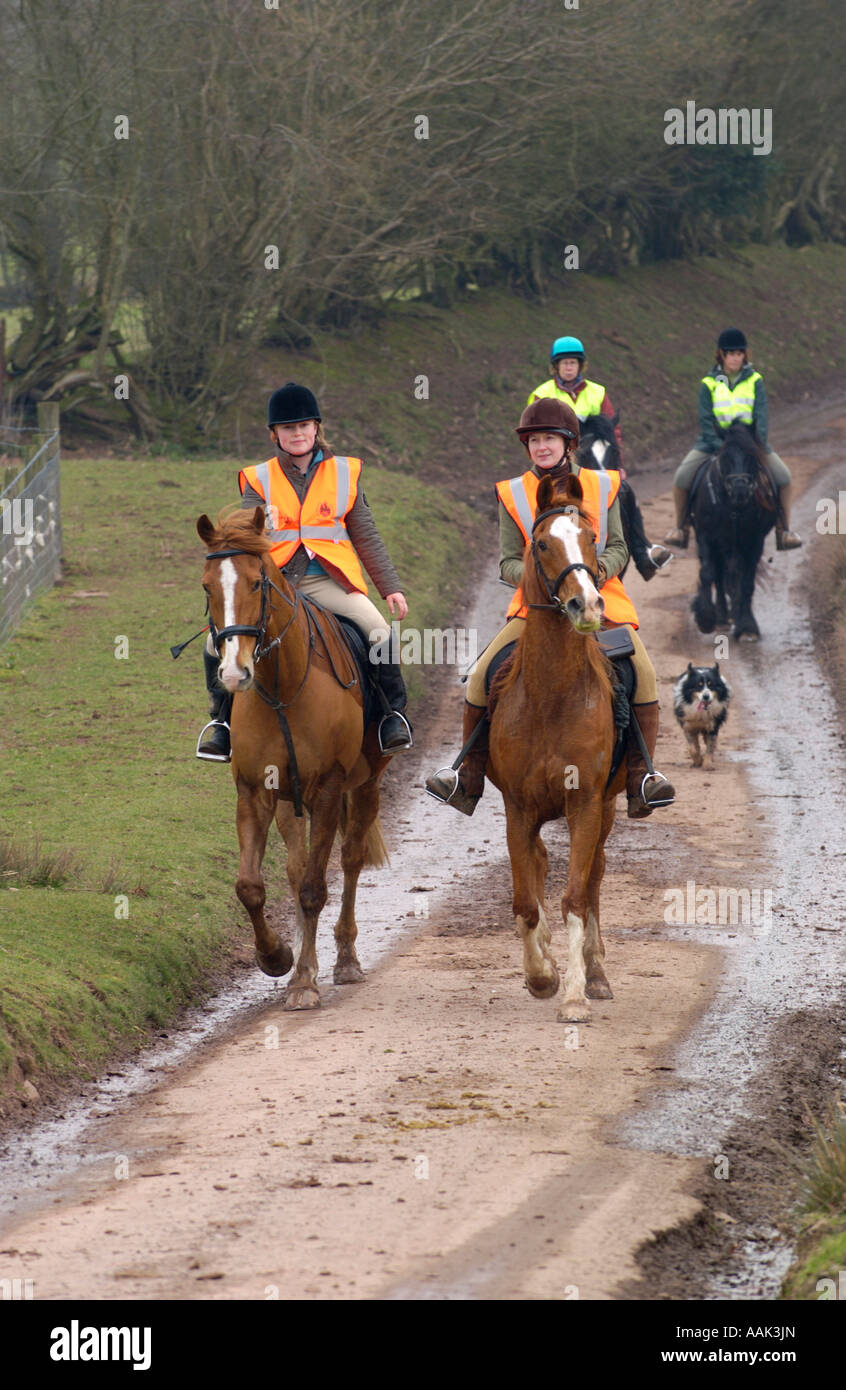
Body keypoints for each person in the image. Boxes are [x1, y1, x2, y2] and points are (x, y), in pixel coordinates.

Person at [425, 397, 676, 820]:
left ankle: (641, 776)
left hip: (600, 601)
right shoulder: (512, 493)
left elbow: (616, 547)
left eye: (550, 439)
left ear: (569, 442)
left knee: (644, 674)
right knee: (480, 677)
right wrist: (545, 582)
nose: (542, 447)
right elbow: (506, 559)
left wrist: (586, 580)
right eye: (534, 440)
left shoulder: (603, 485)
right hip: (538, 607)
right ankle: (466, 775)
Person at [197, 382, 413, 760]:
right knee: (210, 642)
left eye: (303, 426)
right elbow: (246, 532)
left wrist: (390, 587)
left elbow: (366, 533)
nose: (296, 434)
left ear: (316, 428)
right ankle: (222, 724)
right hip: (275, 584)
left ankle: (391, 716)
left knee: (379, 631)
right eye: (287, 428)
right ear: (274, 434)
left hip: (330, 580)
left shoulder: (345, 472)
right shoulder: (258, 478)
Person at [529, 335, 672, 577]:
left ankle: (642, 551)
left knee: (625, 491)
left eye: (573, 362)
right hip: (554, 461)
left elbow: (612, 431)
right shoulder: (542, 394)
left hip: (594, 455)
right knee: (535, 497)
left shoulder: (598, 392)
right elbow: (534, 430)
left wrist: (618, 466)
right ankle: (526, 558)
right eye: (564, 363)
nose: (569, 367)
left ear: (580, 365)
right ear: (556, 367)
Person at [665, 327, 802, 550]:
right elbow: (706, 419)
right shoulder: (708, 383)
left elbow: (762, 418)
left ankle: (784, 530)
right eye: (730, 354)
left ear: (744, 355)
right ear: (721, 355)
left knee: (783, 477)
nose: (735, 358)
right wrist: (722, 446)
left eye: (739, 353)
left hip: (750, 445)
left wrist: (753, 445)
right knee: (681, 478)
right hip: (714, 444)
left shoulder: (755, 380)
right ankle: (681, 528)